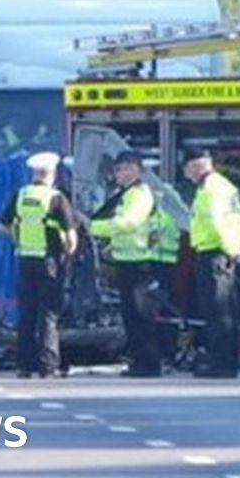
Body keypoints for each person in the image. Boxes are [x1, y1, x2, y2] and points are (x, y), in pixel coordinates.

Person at [0, 151, 78, 379]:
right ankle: (47, 365)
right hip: (50, 262)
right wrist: (67, 253)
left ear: (34, 173)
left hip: (25, 261)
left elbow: (1, 227)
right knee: (49, 315)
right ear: (51, 174)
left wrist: (20, 236)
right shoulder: (56, 198)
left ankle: (24, 365)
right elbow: (72, 238)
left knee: (27, 314)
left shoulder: (20, 195)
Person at [89, 150, 162, 377]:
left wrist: (93, 227)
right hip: (126, 262)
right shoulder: (127, 194)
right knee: (131, 316)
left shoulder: (139, 194)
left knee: (141, 316)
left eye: (119, 169)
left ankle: (148, 364)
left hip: (138, 264)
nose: (115, 174)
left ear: (133, 168)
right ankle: (139, 361)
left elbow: (127, 223)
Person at [183, 148, 240, 378]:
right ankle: (227, 362)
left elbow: (217, 221)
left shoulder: (209, 189)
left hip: (214, 253)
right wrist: (235, 248)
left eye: (187, 168)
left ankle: (221, 364)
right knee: (225, 311)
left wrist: (228, 249)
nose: (186, 174)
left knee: (217, 312)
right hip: (224, 251)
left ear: (196, 165)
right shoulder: (223, 185)